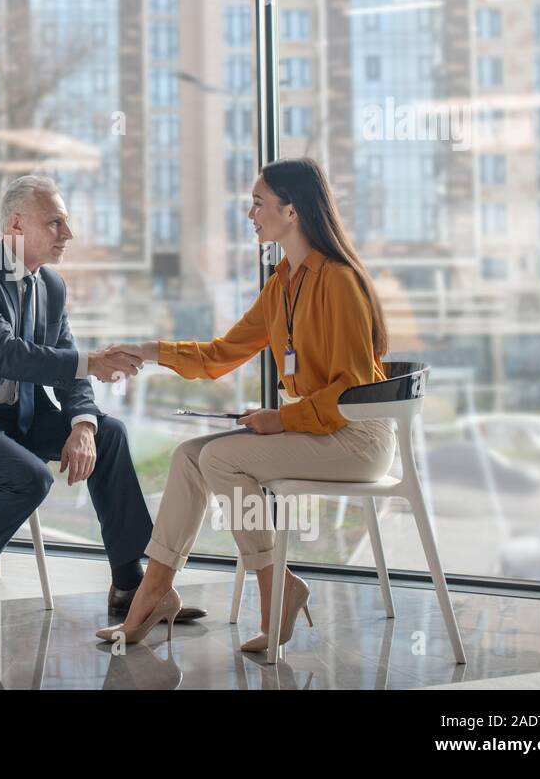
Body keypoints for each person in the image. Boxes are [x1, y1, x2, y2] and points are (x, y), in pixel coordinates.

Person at [95, 157, 397, 649]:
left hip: (357, 438)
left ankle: (275, 586)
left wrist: (282, 418)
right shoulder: (283, 284)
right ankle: (155, 591)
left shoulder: (339, 281)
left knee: (220, 456)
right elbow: (220, 354)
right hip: (319, 430)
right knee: (188, 456)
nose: (250, 214)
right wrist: (149, 352)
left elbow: (351, 393)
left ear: (292, 210)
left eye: (258, 203)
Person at [0, 175, 206, 624]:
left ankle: (129, 584)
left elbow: (66, 362)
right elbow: (6, 356)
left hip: (20, 415)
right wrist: (90, 362)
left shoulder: (52, 287)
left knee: (111, 435)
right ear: (18, 225)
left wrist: (83, 425)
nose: (69, 234)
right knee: (29, 477)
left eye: (66, 223)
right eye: (56, 223)